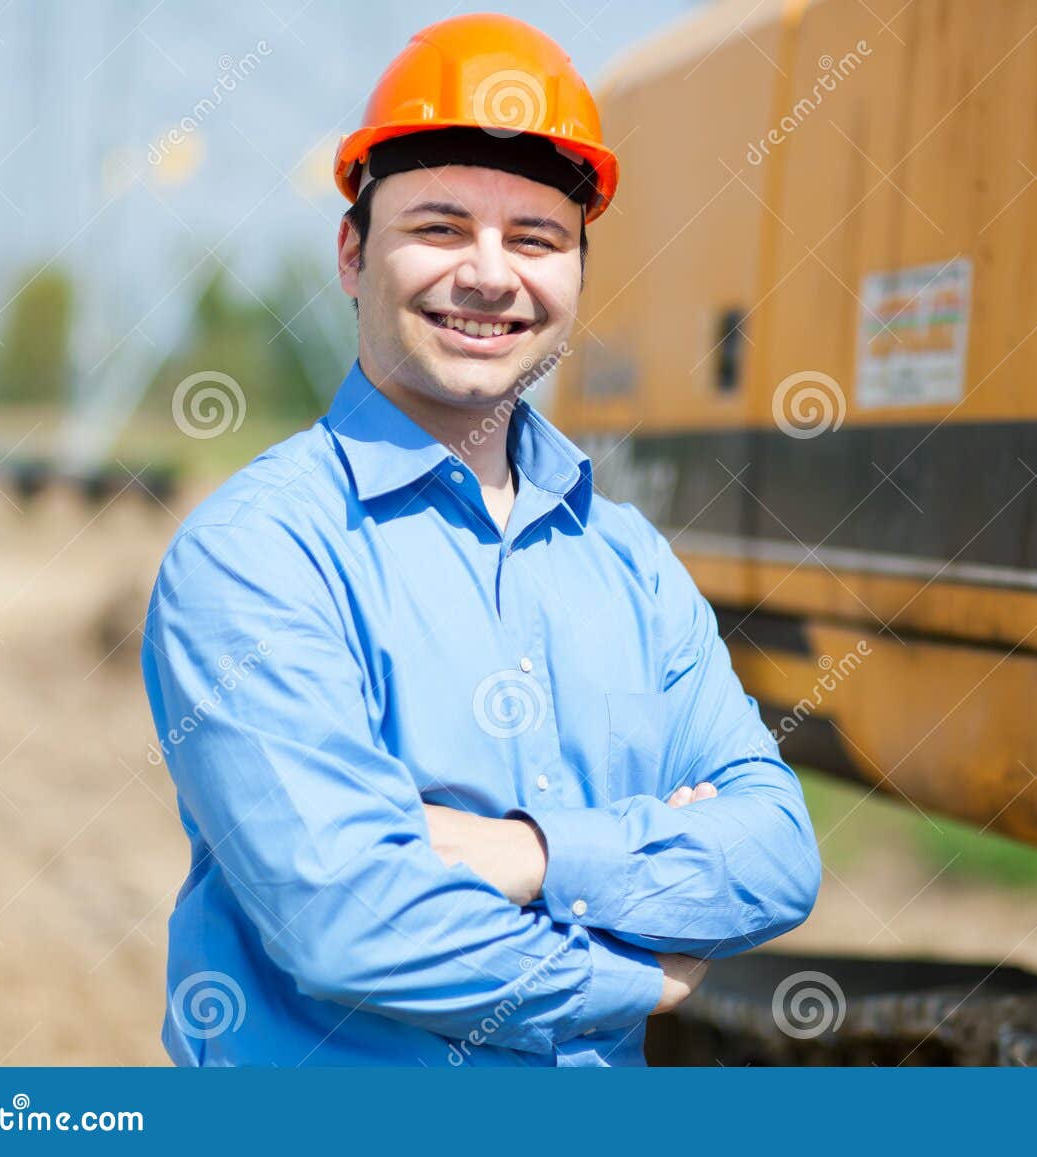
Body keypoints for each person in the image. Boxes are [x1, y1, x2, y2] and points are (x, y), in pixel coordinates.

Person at [140, 13, 821, 1068]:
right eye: (441, 227)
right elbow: (348, 919)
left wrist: (529, 851)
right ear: (353, 252)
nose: (490, 275)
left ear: (577, 274)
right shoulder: (261, 553)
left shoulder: (630, 560)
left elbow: (776, 854)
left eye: (536, 240)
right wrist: (641, 970)